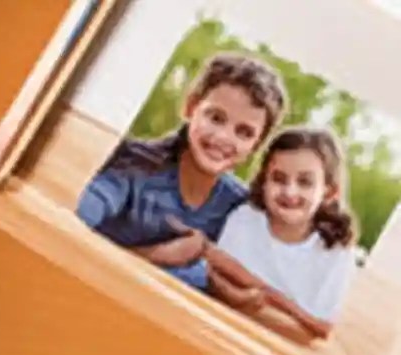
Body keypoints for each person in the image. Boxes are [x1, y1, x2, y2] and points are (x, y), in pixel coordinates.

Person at [76, 54, 287, 289]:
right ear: (190, 107)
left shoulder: (239, 208)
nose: (223, 138)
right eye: (216, 118)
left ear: (256, 146)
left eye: (244, 132)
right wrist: (158, 256)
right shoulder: (132, 165)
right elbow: (72, 228)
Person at [205, 128, 359, 342]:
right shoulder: (246, 219)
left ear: (328, 192)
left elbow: (318, 329)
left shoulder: (336, 251)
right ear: (264, 182)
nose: (290, 192)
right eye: (278, 179)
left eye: (305, 182)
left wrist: (262, 297)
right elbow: (216, 281)